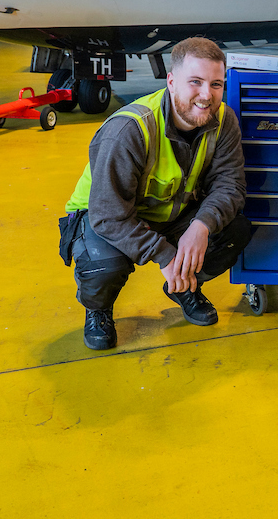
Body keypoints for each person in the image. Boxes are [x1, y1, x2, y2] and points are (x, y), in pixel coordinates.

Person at [59, 37, 251, 350]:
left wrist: (201, 226)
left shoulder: (223, 121)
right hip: (103, 217)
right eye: (195, 82)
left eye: (216, 84)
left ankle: (184, 286)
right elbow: (108, 215)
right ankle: (98, 309)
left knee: (234, 230)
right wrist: (166, 255)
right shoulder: (129, 130)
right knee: (105, 266)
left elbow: (230, 184)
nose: (207, 95)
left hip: (170, 211)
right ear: (171, 82)